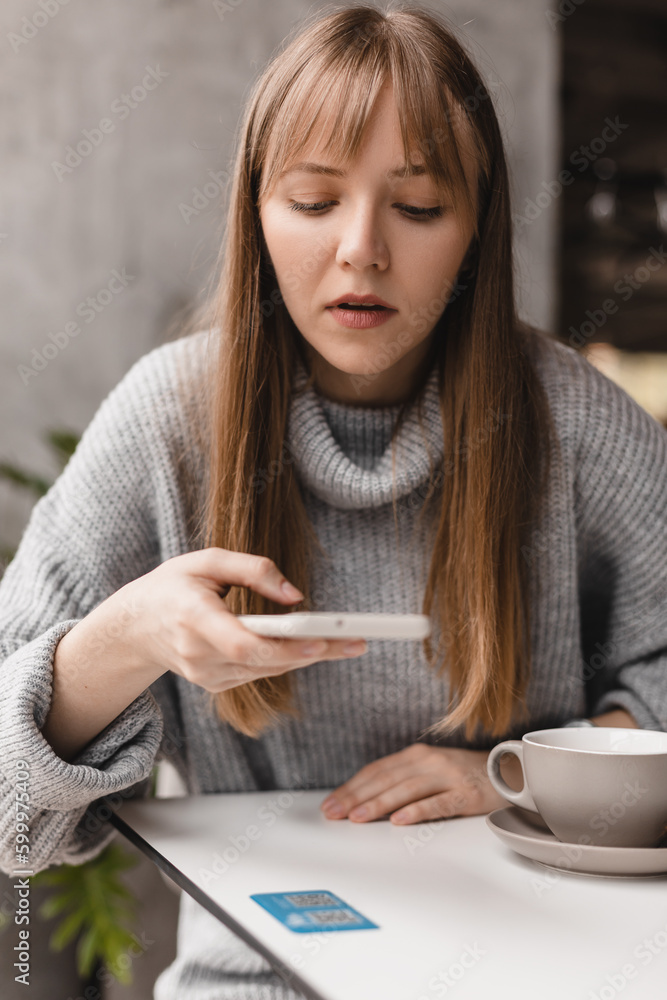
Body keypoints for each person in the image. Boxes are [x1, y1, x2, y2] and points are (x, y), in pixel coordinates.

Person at [1, 3, 666, 997]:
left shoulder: (575, 422)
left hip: (546, 969)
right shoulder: (167, 420)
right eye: (313, 203)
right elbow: (13, 819)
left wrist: (509, 775)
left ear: (478, 226)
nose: (360, 250)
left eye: (420, 207)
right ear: (255, 212)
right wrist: (126, 636)